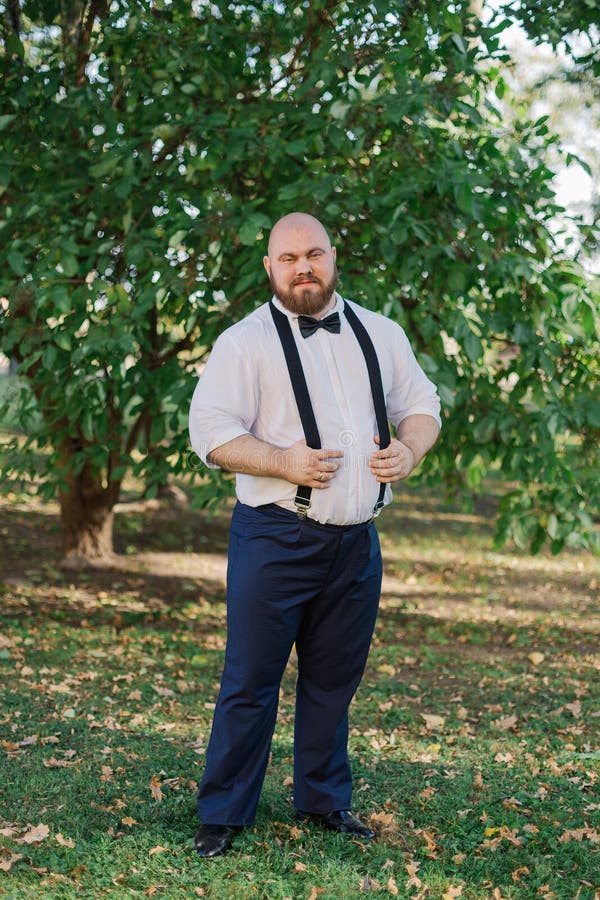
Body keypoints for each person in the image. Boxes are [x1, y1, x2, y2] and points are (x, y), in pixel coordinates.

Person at [188, 212, 441, 857]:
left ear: (333, 258)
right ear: (270, 267)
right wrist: (284, 461)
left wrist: (409, 453)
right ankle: (222, 815)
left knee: (334, 680)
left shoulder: (380, 333)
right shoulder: (243, 342)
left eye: (314, 254)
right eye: (288, 257)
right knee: (251, 679)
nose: (304, 266)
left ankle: (324, 800)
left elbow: (422, 407)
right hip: (275, 538)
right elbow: (211, 434)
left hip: (357, 543)